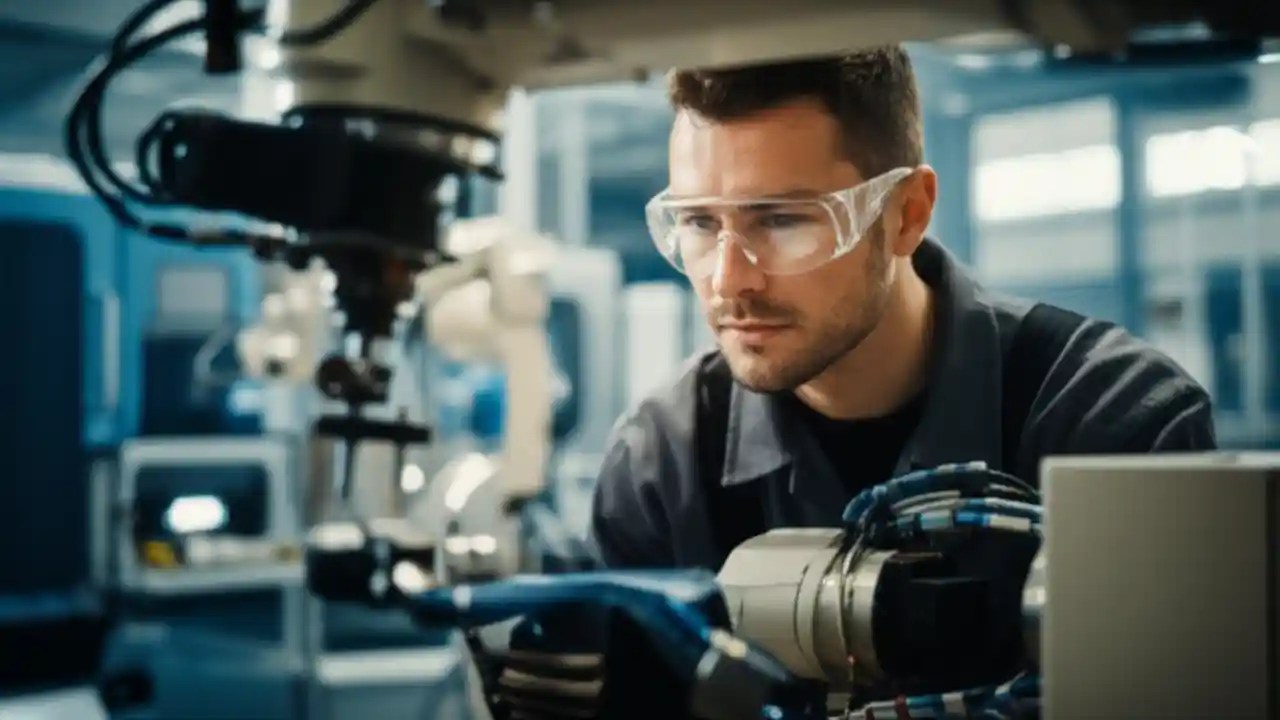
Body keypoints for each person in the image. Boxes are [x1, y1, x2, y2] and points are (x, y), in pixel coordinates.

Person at [589, 46, 1218, 573]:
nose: (729, 281)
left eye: (782, 220)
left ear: (907, 214)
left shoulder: (1110, 428)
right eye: (699, 222)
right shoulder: (664, 464)